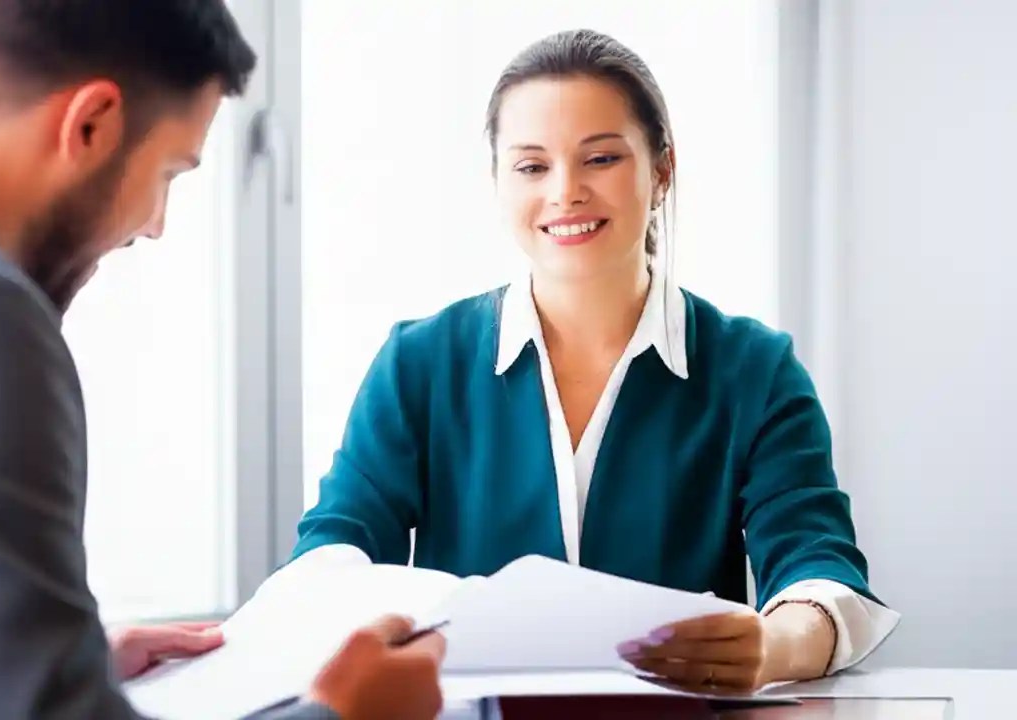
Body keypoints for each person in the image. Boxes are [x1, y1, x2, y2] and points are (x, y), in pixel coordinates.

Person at [0, 1, 444, 718]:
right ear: (92, 124)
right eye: (169, 172)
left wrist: (61, 658)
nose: (155, 226)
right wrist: (345, 714)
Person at [290, 29, 899, 692]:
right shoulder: (418, 364)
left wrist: (778, 644)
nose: (566, 191)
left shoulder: (755, 368)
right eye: (531, 166)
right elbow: (336, 545)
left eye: (601, 158)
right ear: (497, 182)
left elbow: (818, 561)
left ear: (662, 170)